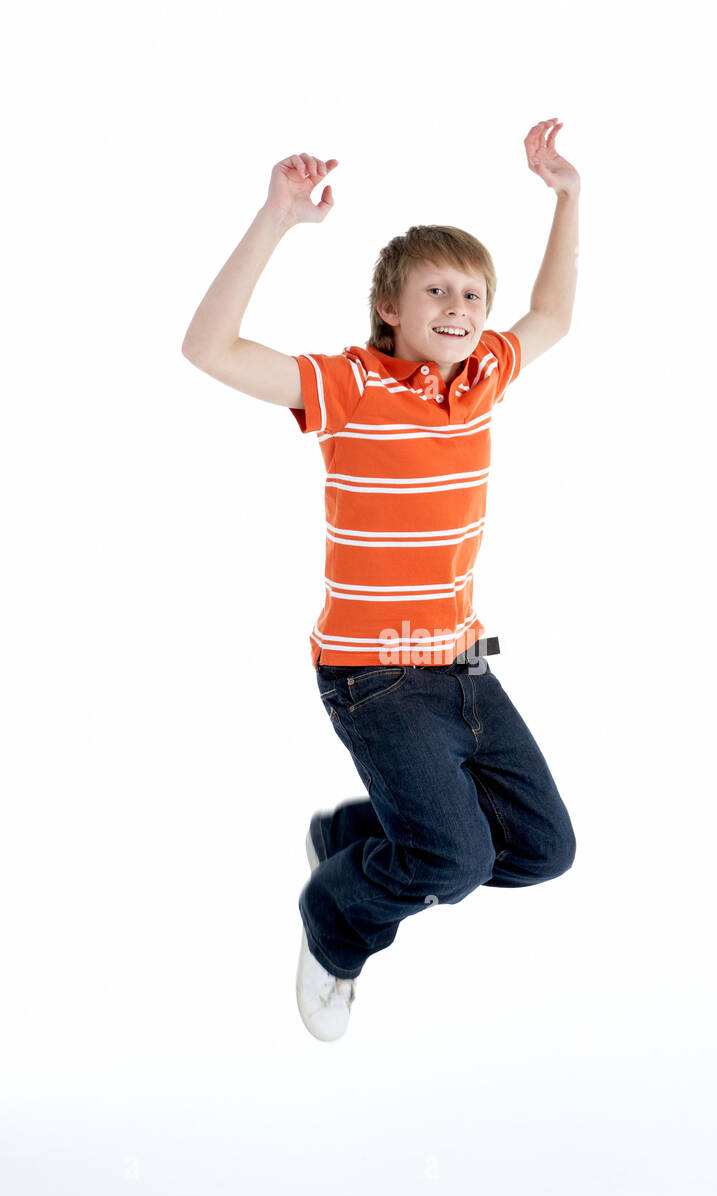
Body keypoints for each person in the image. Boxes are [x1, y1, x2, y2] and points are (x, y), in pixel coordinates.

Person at [182, 118, 582, 1042]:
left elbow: (554, 314)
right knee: (452, 863)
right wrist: (274, 220)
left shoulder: (483, 373)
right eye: (436, 289)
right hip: (375, 674)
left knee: (543, 851)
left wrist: (566, 194)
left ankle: (360, 836)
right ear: (391, 309)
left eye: (475, 293)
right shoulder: (351, 385)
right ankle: (335, 918)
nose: (461, 305)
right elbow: (210, 350)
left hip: (465, 662)